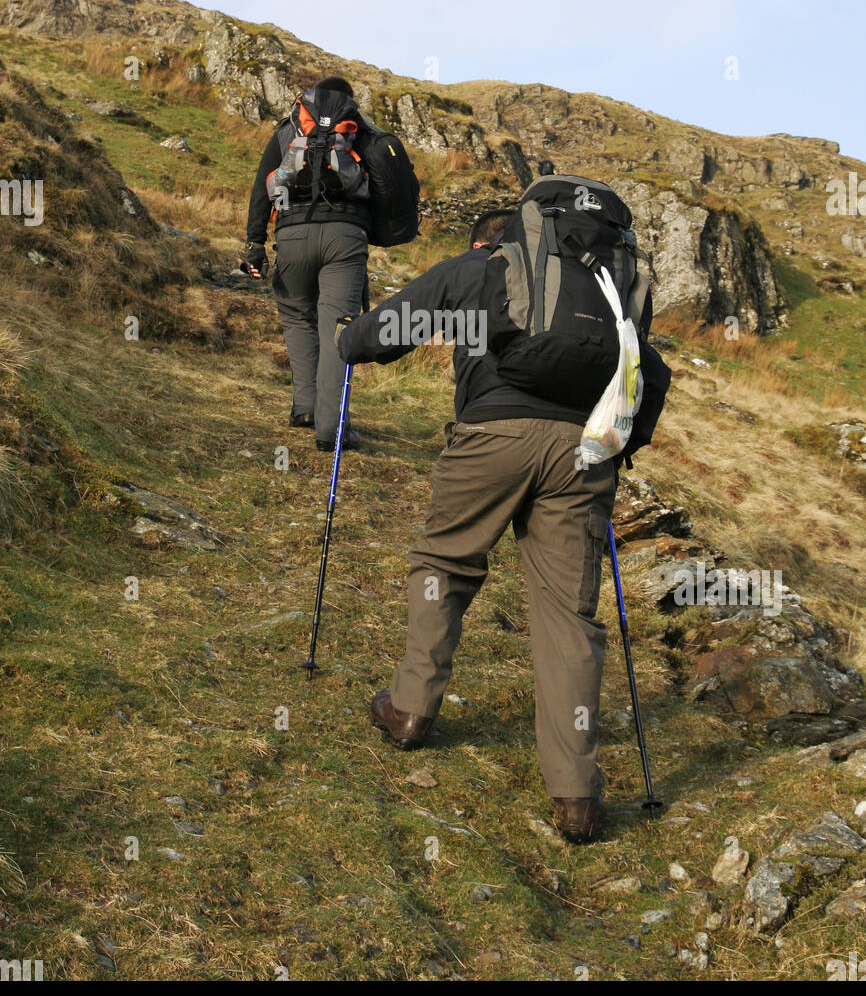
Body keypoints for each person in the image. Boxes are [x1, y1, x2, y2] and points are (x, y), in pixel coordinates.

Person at [337, 205, 671, 843]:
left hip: (494, 435)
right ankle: (576, 796)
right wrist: (622, 448)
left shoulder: (481, 266)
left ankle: (410, 710)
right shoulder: (608, 285)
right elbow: (650, 373)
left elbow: (383, 332)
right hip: (583, 453)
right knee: (568, 615)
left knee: (445, 562)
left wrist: (345, 338)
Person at [243, 75, 371, 452]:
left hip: (292, 232)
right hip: (345, 238)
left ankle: (305, 408)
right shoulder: (360, 131)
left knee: (298, 316)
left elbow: (260, 189)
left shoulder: (288, 130)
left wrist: (255, 244)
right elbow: (382, 186)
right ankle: (332, 429)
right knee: (337, 328)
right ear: (347, 102)